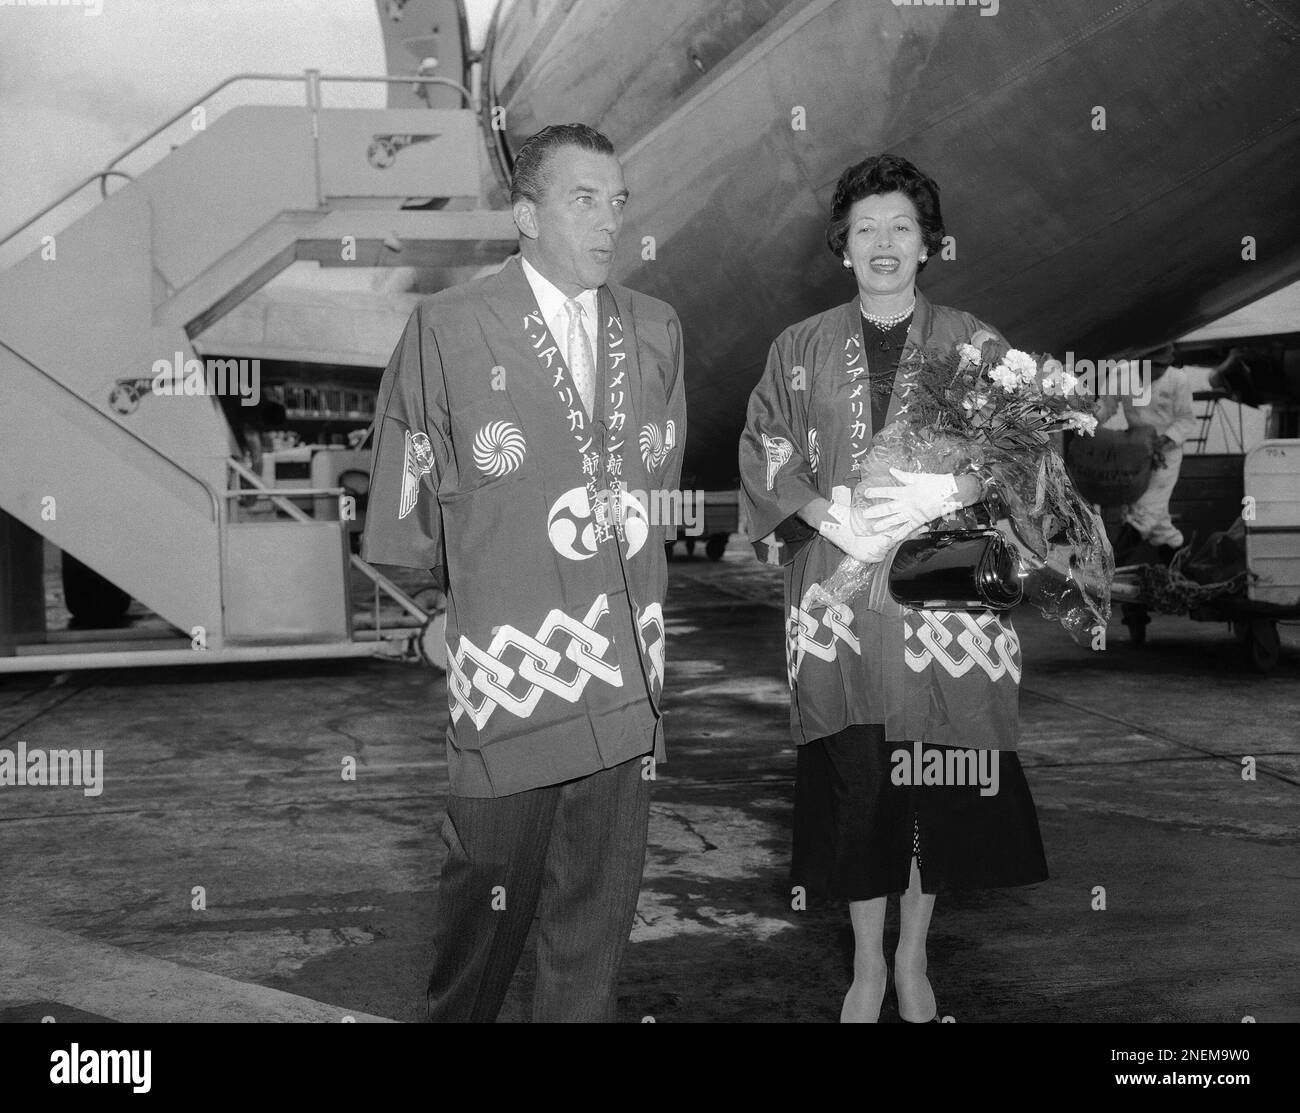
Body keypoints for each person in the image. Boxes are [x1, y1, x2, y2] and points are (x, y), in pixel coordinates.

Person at [361, 124, 686, 1022]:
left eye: (618, 200)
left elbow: (651, 488)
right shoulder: (449, 327)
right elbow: (406, 482)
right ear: (526, 213)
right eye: (584, 198)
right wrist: (432, 607)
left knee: (594, 926)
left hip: (624, 676)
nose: (609, 220)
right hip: (510, 672)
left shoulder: (655, 327)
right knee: (483, 912)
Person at [739, 153, 1047, 1023]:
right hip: (839, 600)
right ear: (843, 247)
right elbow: (766, 445)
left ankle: (914, 954)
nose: (884, 243)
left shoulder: (973, 343)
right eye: (867, 228)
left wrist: (959, 488)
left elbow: (1024, 446)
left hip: (940, 596)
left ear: (928, 245)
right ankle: (865, 962)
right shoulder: (795, 348)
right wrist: (822, 514)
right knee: (859, 784)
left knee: (935, 783)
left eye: (901, 227)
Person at [1097, 344, 1196, 556]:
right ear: (1141, 359)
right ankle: (1178, 570)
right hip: (1136, 454)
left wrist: (1163, 441)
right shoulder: (1122, 374)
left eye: (1163, 366)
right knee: (1158, 525)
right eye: (1154, 365)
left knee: (1143, 513)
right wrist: (1086, 418)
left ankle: (1110, 568)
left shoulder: (1179, 380)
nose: (1159, 370)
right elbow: (1106, 407)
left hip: (1166, 456)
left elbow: (1186, 421)